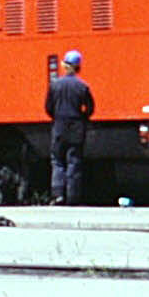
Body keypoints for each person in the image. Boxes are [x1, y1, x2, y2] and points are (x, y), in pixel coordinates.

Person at [45, 49, 95, 204]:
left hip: (59, 126)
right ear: (78, 67)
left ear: (65, 66)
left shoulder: (55, 85)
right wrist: (82, 118)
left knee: (58, 161)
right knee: (74, 161)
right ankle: (73, 197)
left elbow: (48, 107)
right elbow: (90, 108)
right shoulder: (82, 87)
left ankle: (58, 194)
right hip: (76, 128)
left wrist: (57, 117)